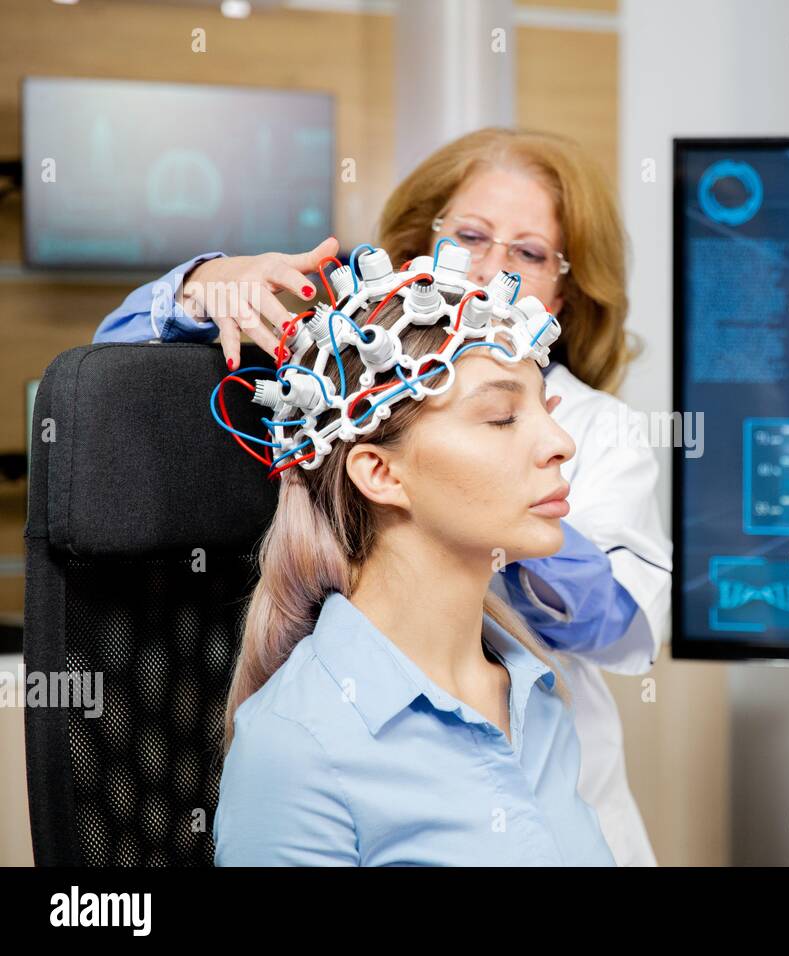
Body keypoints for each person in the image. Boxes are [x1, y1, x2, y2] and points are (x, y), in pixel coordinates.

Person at [93, 127, 671, 866]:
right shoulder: (307, 750)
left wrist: (490, 502)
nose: (492, 266)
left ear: (564, 287)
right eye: (469, 236)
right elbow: (103, 398)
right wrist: (198, 289)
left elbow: (620, 626)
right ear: (413, 253)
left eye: (529, 252)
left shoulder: (538, 701)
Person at [212, 281, 614, 865]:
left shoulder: (539, 697)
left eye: (545, 411)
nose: (561, 443)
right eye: (503, 418)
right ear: (380, 473)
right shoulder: (298, 745)